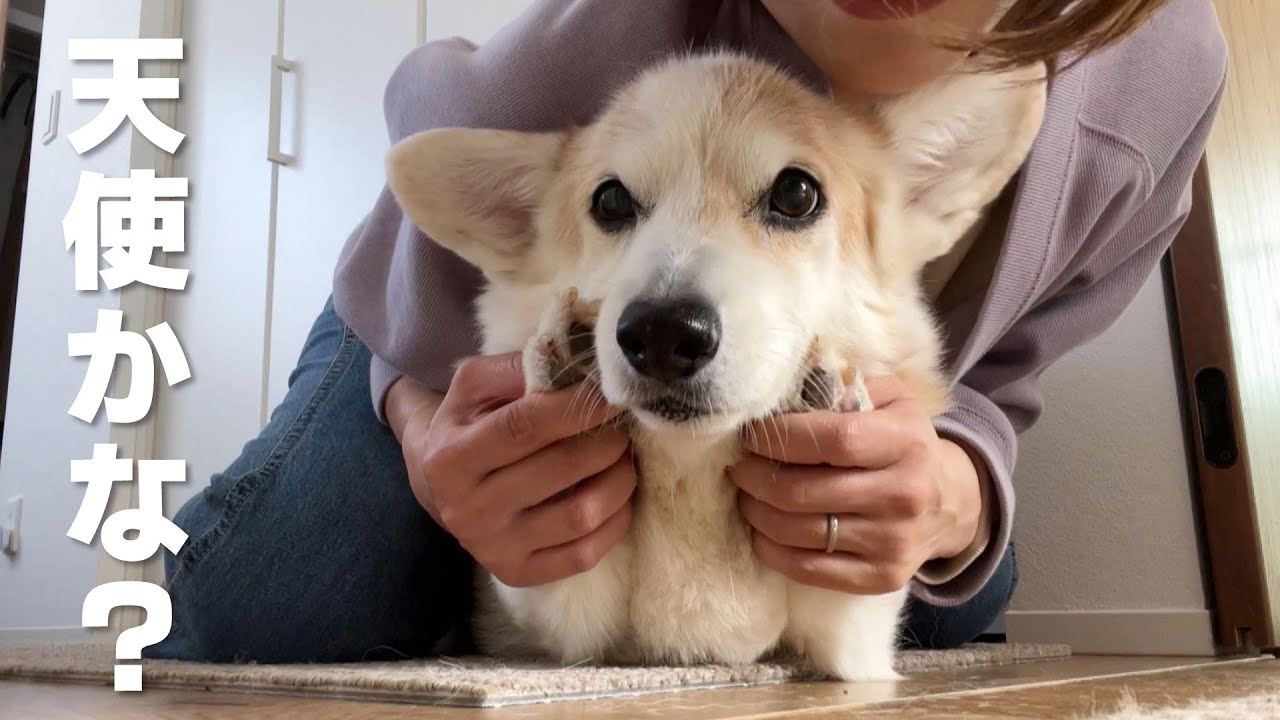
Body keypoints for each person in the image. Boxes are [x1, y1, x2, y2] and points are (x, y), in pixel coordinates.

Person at [147, 0, 1227, 663]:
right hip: (426, 321)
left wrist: (949, 491)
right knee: (275, 598)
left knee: (951, 600)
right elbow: (428, 182)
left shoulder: (1158, 83)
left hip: (815, 370)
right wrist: (431, 447)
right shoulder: (591, 54)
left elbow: (997, 380)